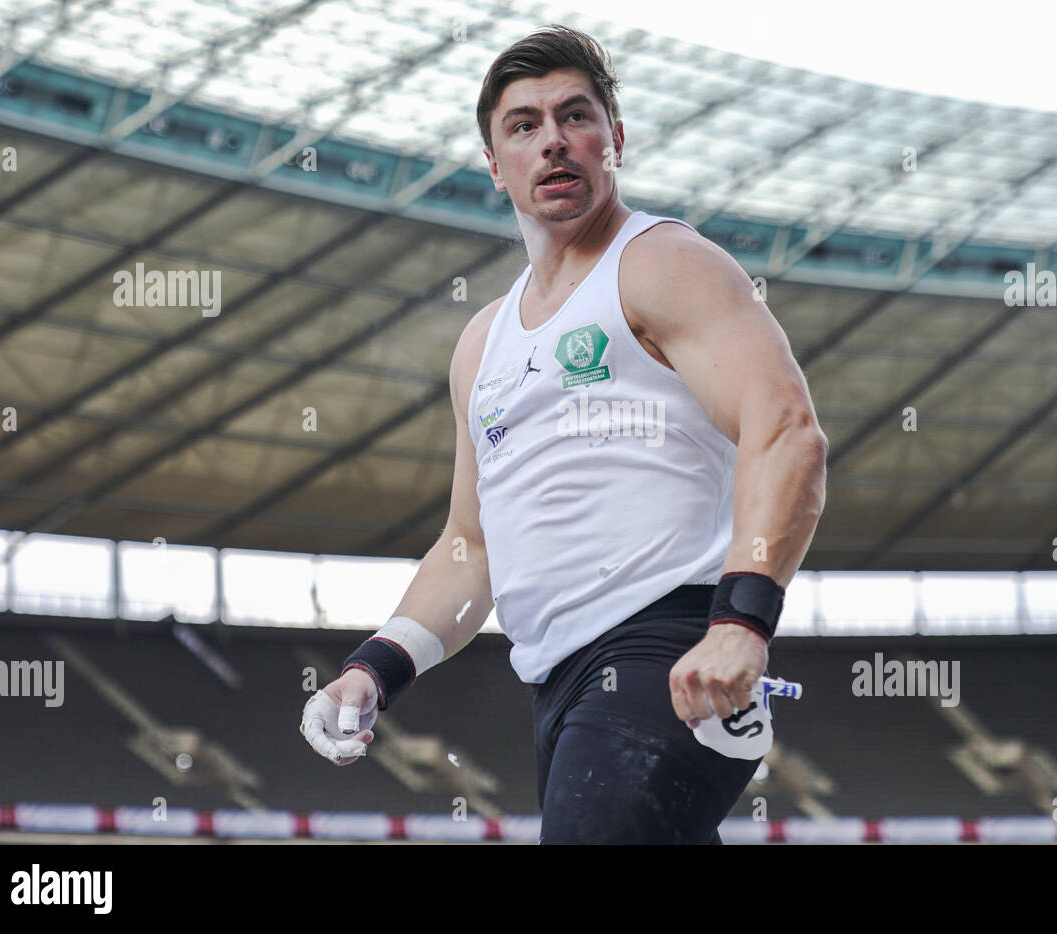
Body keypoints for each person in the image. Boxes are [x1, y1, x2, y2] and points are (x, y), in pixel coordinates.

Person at [301, 24, 827, 844]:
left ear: (614, 138)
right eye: (523, 126)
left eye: (574, 116)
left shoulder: (660, 263)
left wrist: (741, 622)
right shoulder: (482, 343)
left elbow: (786, 427)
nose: (552, 141)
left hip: (667, 655)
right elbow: (469, 547)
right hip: (556, 687)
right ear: (494, 161)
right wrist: (374, 668)